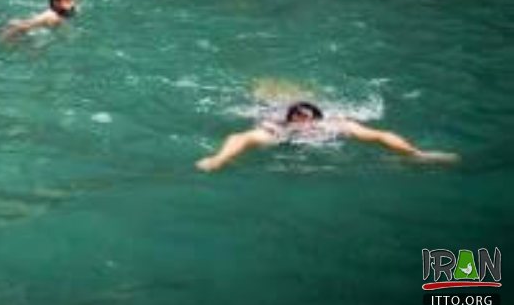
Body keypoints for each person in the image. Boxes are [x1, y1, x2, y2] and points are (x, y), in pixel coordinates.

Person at [196, 100, 457, 172]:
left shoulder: (333, 124)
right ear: (291, 119)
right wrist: (218, 159)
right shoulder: (278, 129)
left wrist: (415, 154)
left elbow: (379, 135)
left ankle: (419, 155)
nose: (305, 122)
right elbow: (239, 138)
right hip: (273, 109)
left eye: (309, 117)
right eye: (299, 117)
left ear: (317, 118)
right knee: (266, 95)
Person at [2, 0, 77, 38]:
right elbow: (24, 25)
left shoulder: (68, 10)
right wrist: (4, 38)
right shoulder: (50, 16)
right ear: (56, 3)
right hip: (28, 31)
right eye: (67, 0)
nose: (72, 3)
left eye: (71, 0)